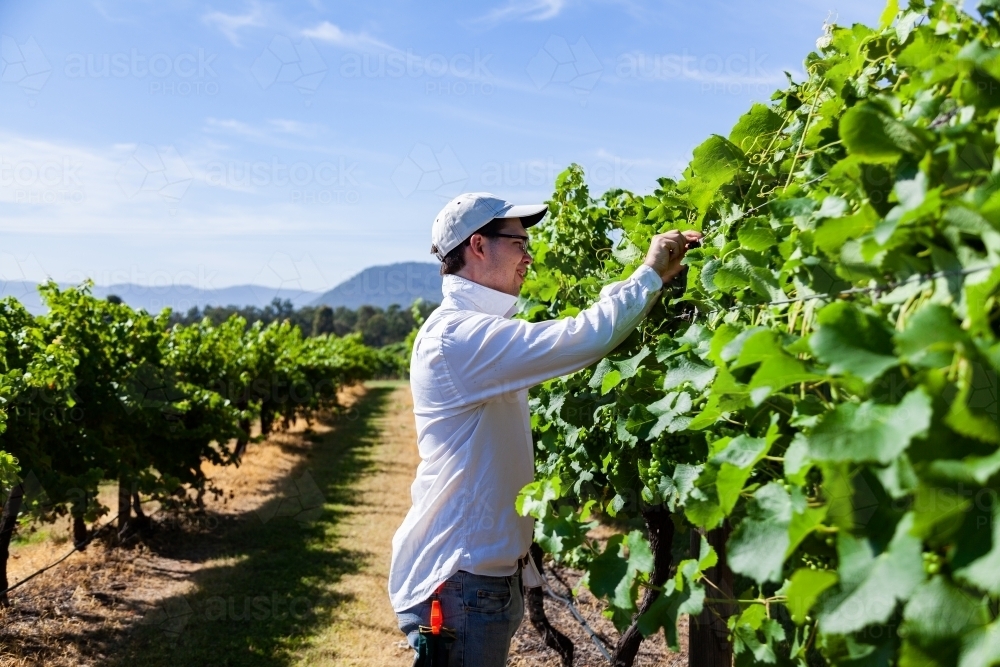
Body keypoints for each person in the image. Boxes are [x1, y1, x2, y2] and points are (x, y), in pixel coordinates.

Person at [389, 192, 702, 666]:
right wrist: (649, 275)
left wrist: (642, 285)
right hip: (460, 583)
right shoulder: (458, 336)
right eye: (519, 242)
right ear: (478, 245)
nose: (529, 255)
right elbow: (578, 338)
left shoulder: (472, 331)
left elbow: (569, 336)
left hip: (477, 582)